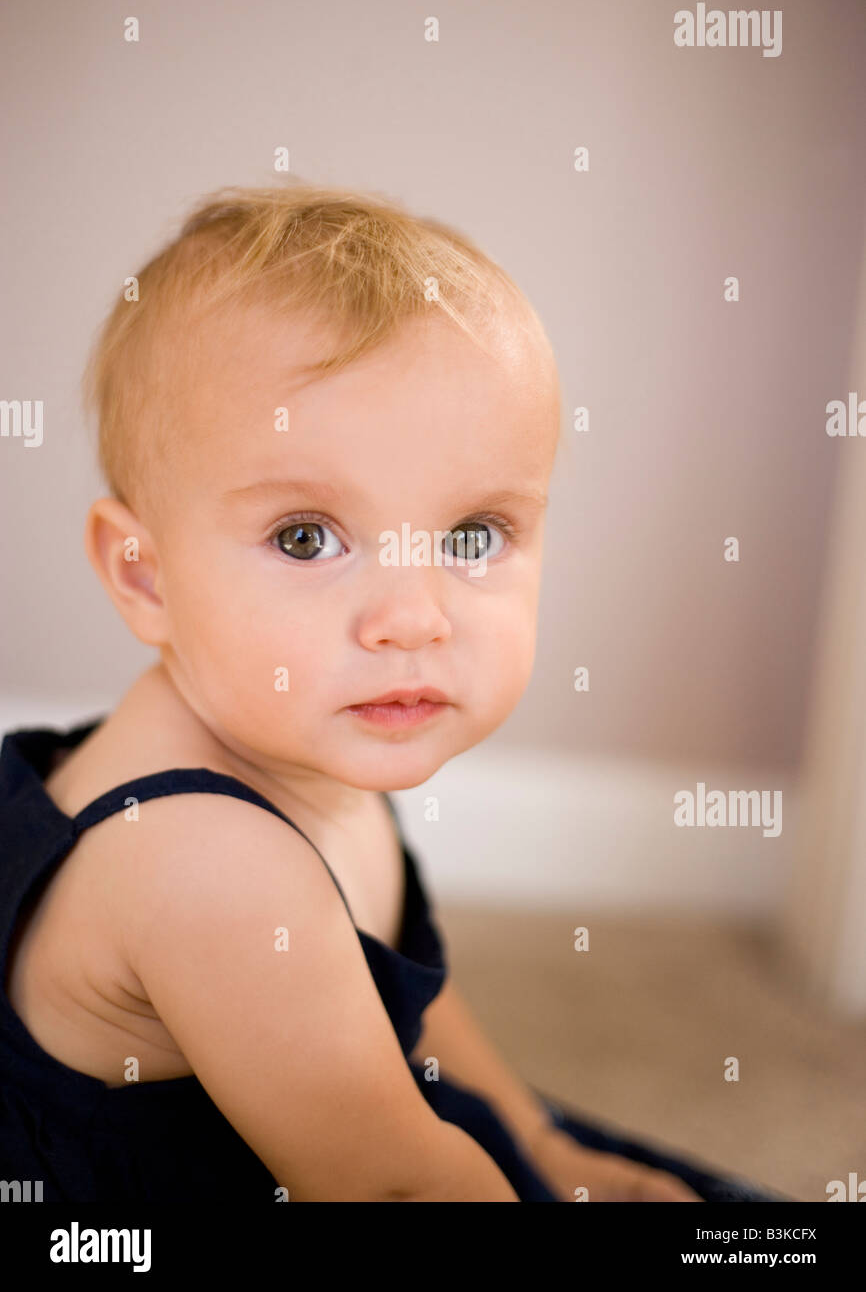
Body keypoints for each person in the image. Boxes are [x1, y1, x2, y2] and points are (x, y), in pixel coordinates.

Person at [0, 184, 788, 1201]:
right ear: (144, 574)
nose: (412, 616)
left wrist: (539, 1146)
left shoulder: (304, 739)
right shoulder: (202, 860)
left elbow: (397, 1018)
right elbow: (391, 1187)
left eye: (470, 535)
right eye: (305, 537)